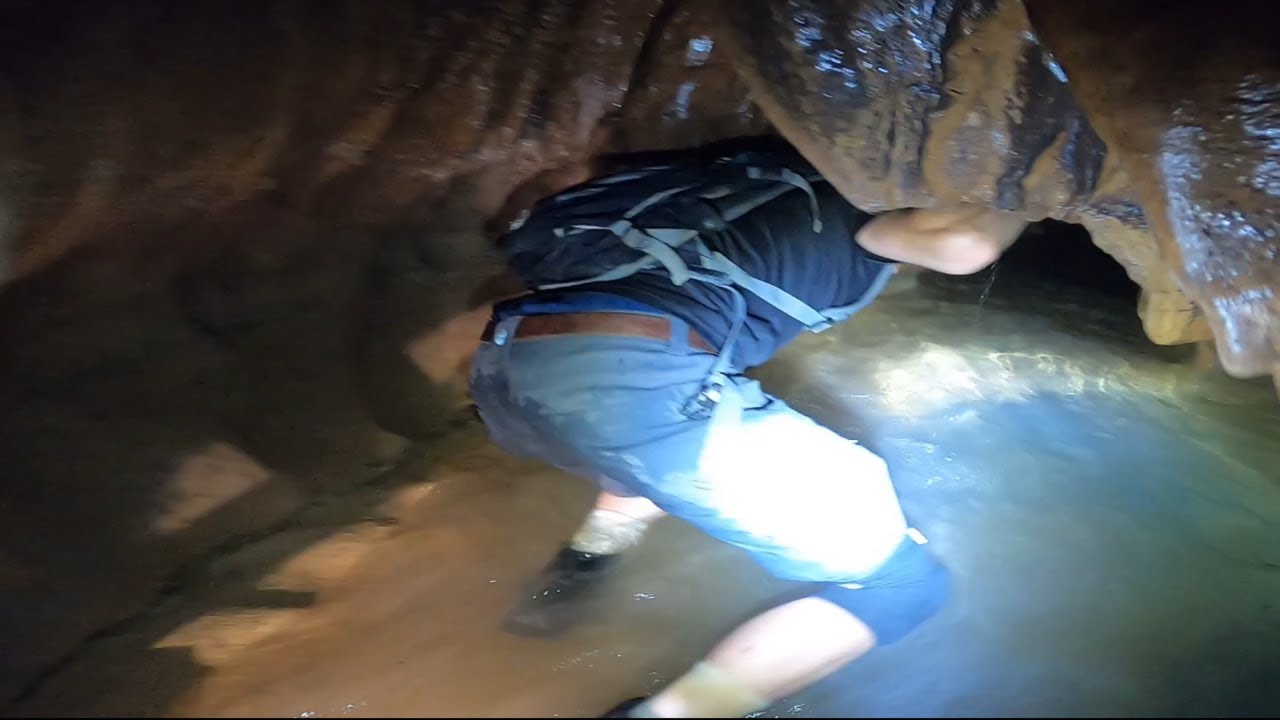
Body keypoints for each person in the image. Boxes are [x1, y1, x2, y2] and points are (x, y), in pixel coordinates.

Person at [467, 138, 1026, 718]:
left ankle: (565, 586)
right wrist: (1036, 194)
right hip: (633, 376)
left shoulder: (734, 183)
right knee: (904, 587)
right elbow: (966, 246)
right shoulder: (862, 209)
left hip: (510, 370)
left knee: (640, 465)